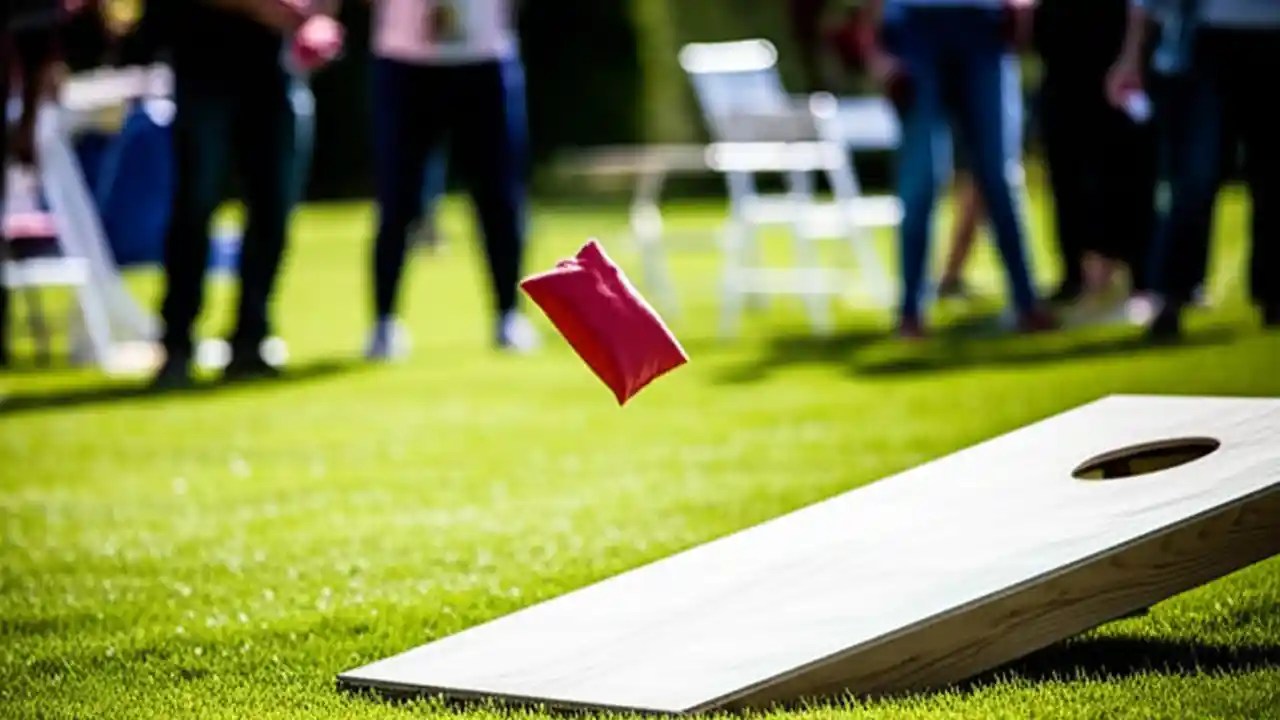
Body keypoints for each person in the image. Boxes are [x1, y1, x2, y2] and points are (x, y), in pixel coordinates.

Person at [149, 0, 343, 387]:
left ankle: (251, 338)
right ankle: (178, 343)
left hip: (276, 69)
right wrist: (271, 8)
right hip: (205, 64)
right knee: (195, 205)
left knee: (274, 207)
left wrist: (319, 19)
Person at [860, 0, 1053, 337]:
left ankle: (1026, 303)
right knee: (921, 180)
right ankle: (910, 312)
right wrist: (873, 49)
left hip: (982, 26)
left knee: (998, 175)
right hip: (914, 29)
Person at [365, 0, 535, 360]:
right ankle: (383, 322)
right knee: (397, 198)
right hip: (404, 58)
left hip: (484, 56)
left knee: (499, 196)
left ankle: (509, 314)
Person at [1108, 0, 1280, 338]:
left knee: (1274, 177)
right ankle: (1171, 294)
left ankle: (1275, 293)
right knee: (1193, 175)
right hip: (1205, 40)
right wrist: (1131, 54)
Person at [1037, 0, 1157, 311]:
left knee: (1124, 167)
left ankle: (1134, 274)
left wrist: (1131, 55)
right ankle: (1077, 274)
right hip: (1060, 49)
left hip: (1112, 47)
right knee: (1065, 169)